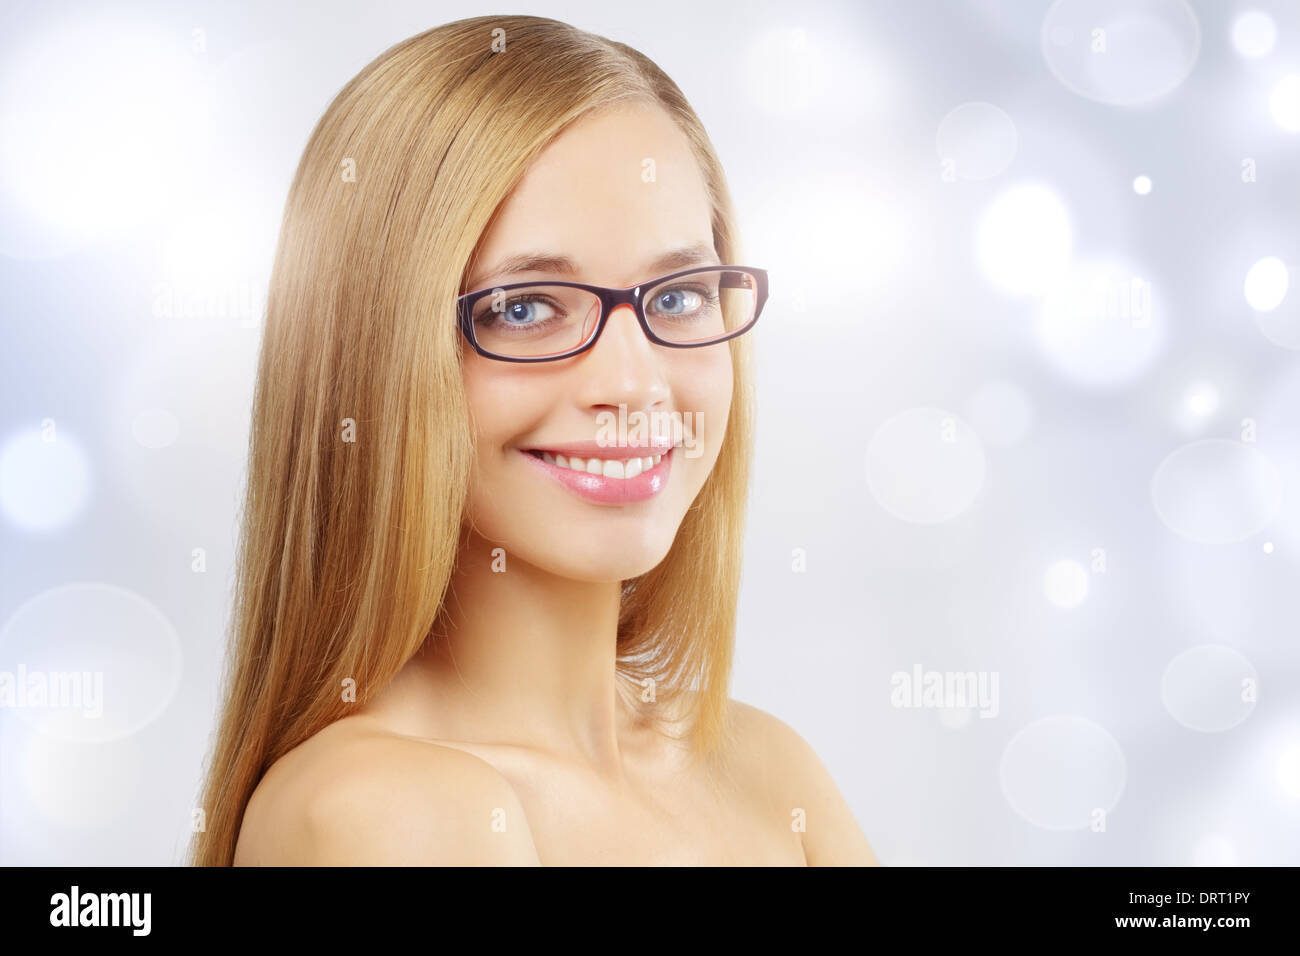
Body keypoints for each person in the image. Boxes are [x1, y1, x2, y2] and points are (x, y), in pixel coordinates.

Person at [191, 14, 876, 866]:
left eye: (675, 298)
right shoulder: (392, 813)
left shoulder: (769, 773)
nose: (635, 385)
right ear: (377, 352)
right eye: (523, 309)